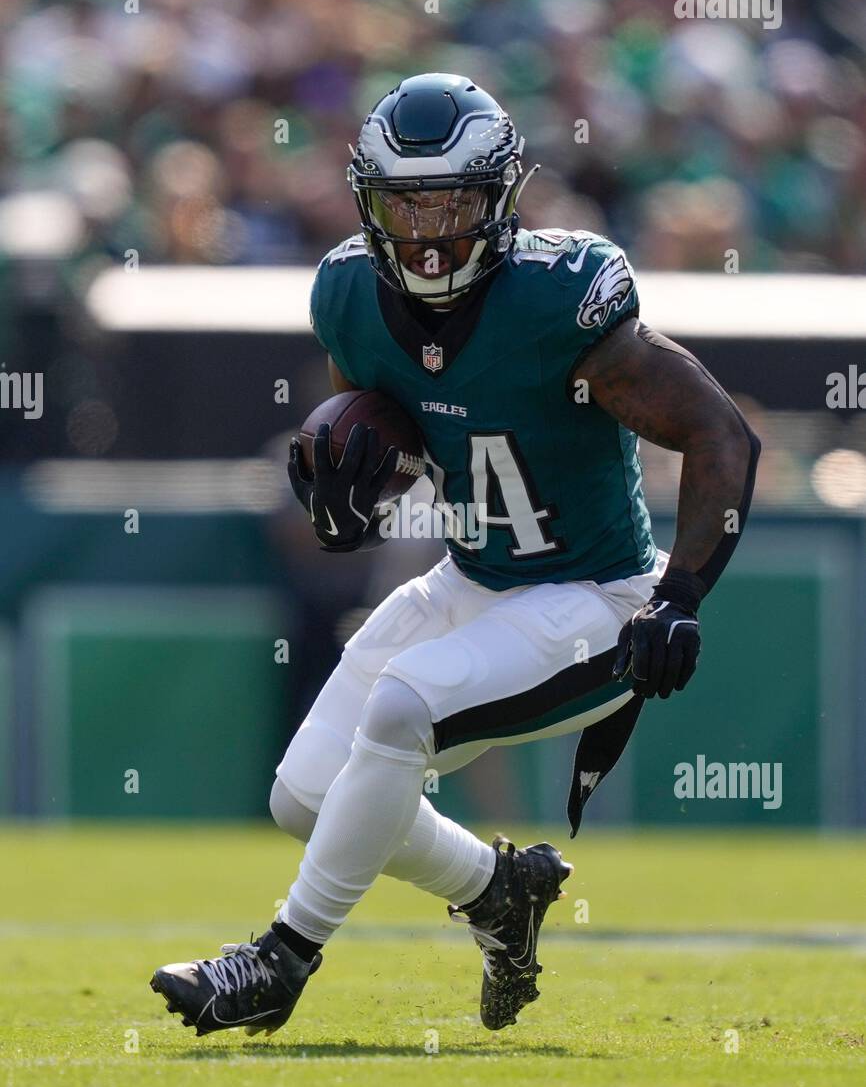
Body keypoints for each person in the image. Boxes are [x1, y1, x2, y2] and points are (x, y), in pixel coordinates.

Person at [151, 74, 760, 1037]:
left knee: (402, 708)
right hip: (473, 580)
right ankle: (496, 889)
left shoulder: (562, 296)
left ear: (501, 200)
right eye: (407, 202)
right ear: (370, 204)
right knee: (304, 796)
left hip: (594, 598)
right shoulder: (349, 293)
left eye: (453, 201)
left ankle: (277, 960)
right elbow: (389, 430)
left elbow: (722, 435)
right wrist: (357, 485)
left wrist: (680, 594)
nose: (429, 228)